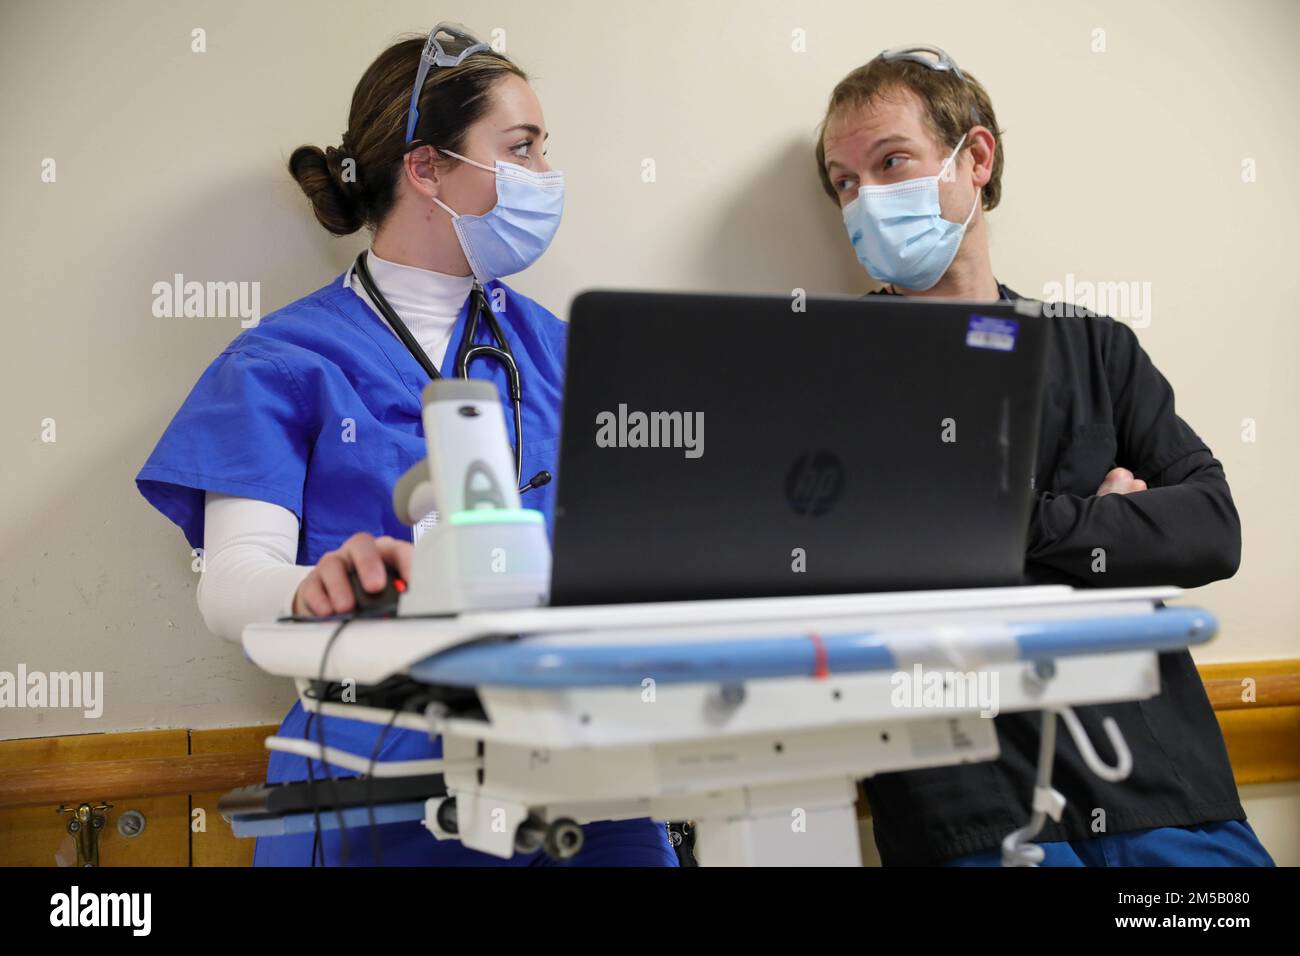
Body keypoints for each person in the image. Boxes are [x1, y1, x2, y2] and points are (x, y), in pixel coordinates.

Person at [136, 23, 677, 867]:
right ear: (426, 168)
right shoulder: (284, 360)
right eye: (523, 148)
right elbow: (231, 586)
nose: (547, 177)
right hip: (378, 776)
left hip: (583, 769)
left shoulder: (564, 348)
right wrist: (334, 586)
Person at [815, 45, 1274, 867]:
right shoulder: (827, 366)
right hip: (959, 782)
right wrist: (1108, 524)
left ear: (976, 158)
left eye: (892, 163)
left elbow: (1212, 530)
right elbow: (856, 557)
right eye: (845, 183)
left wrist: (1009, 522)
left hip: (1153, 768)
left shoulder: (1096, 348)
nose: (865, 201)